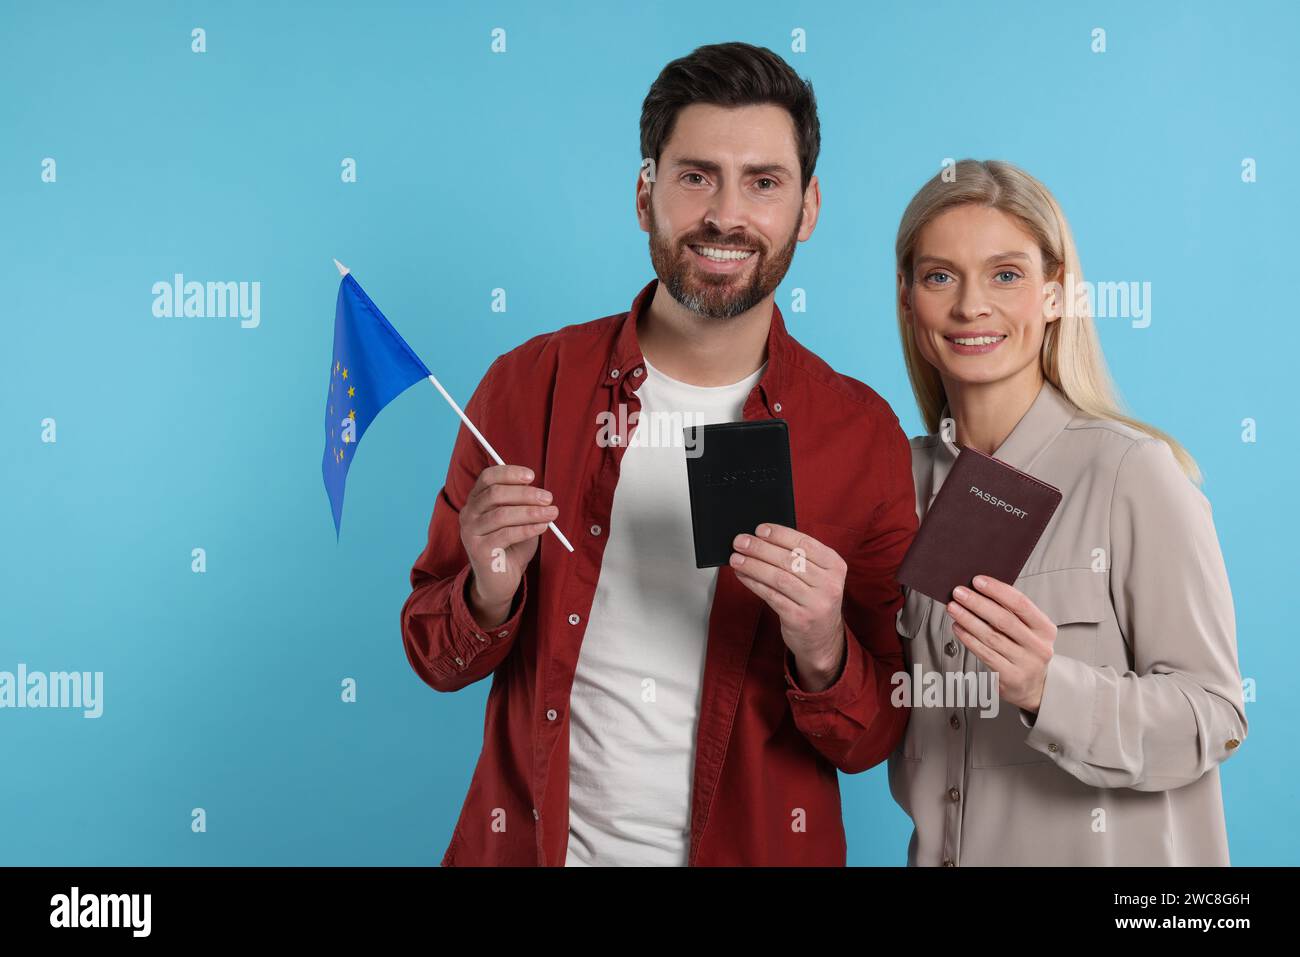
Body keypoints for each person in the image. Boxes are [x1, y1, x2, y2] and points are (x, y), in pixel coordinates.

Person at [400, 42, 917, 866]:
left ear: (807, 209)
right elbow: (432, 651)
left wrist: (822, 646)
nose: (725, 214)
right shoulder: (526, 386)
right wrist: (489, 593)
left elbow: (874, 734)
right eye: (695, 175)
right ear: (646, 194)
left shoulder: (862, 435)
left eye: (763, 182)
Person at [887, 158, 1247, 865]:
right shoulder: (898, 486)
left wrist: (1049, 688)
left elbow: (1217, 715)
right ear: (907, 298)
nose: (970, 307)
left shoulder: (1132, 473)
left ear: (1056, 294)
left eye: (1006, 274)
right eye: (939, 276)